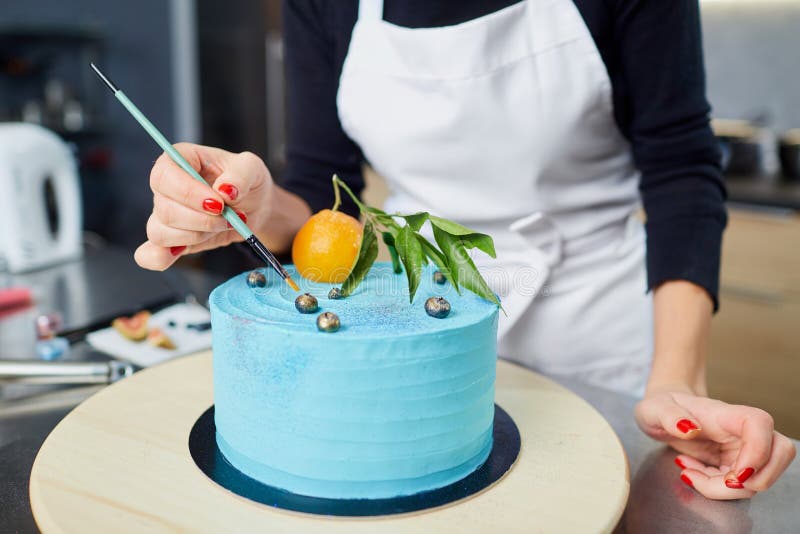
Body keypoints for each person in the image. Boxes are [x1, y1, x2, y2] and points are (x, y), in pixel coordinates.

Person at [134, 0, 795, 499]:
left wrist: (676, 382)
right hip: (413, 323)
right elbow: (323, 193)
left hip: (597, 335)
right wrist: (257, 206)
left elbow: (681, 169)